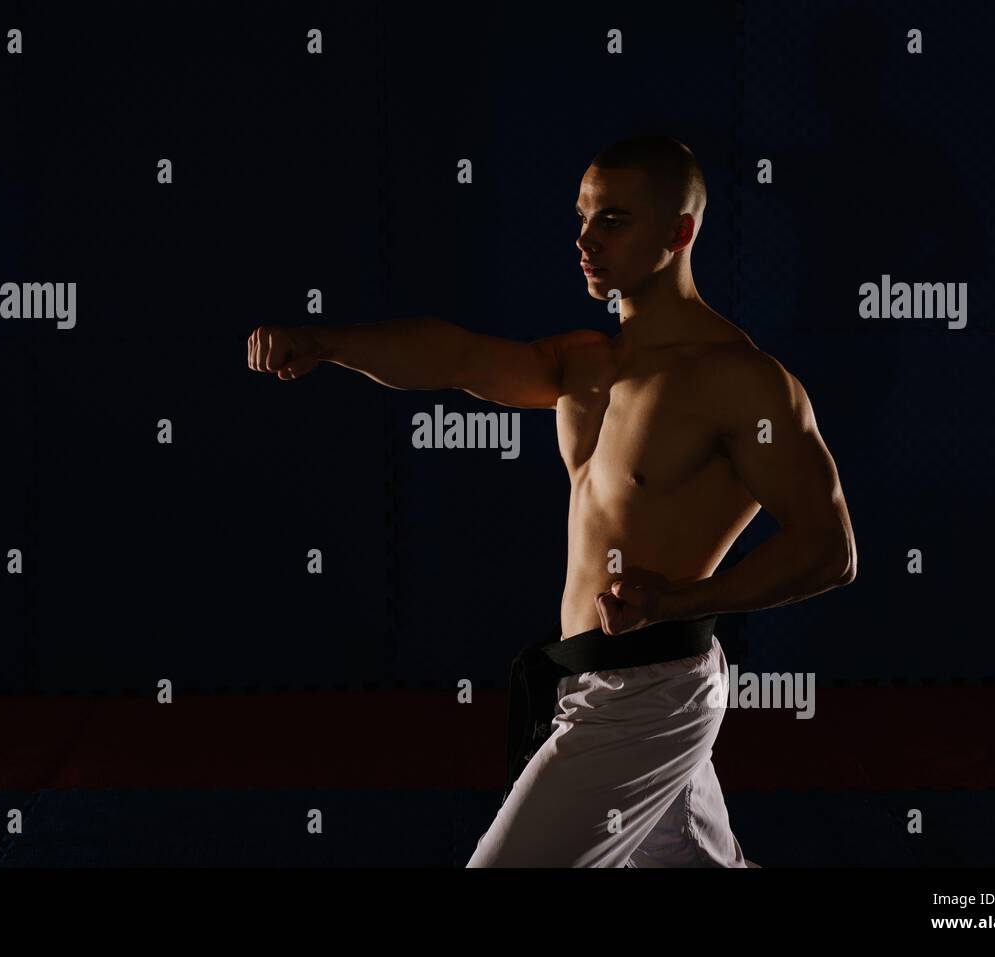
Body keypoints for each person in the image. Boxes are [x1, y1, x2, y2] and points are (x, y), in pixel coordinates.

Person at [247, 135, 857, 867]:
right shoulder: (582, 362)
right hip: (592, 671)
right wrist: (326, 341)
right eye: (583, 216)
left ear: (679, 233)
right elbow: (456, 357)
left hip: (646, 689)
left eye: (613, 220)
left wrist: (679, 601)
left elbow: (830, 550)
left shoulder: (742, 380)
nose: (585, 239)